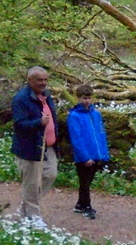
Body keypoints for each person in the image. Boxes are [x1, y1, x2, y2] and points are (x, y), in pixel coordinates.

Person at [11, 66, 58, 228]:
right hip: (30, 148)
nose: (43, 83)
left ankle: (25, 208)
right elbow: (19, 124)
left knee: (50, 174)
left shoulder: (46, 96)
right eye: (39, 80)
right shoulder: (21, 99)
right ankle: (33, 217)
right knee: (31, 183)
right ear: (30, 80)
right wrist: (39, 123)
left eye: (45, 80)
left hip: (48, 146)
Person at [66, 84, 110, 219]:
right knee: (84, 182)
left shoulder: (95, 114)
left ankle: (80, 204)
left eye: (89, 98)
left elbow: (101, 134)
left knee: (88, 181)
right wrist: (85, 157)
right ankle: (87, 206)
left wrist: (104, 153)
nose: (87, 101)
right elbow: (76, 138)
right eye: (84, 98)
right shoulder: (74, 116)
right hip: (83, 156)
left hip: (96, 153)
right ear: (78, 98)